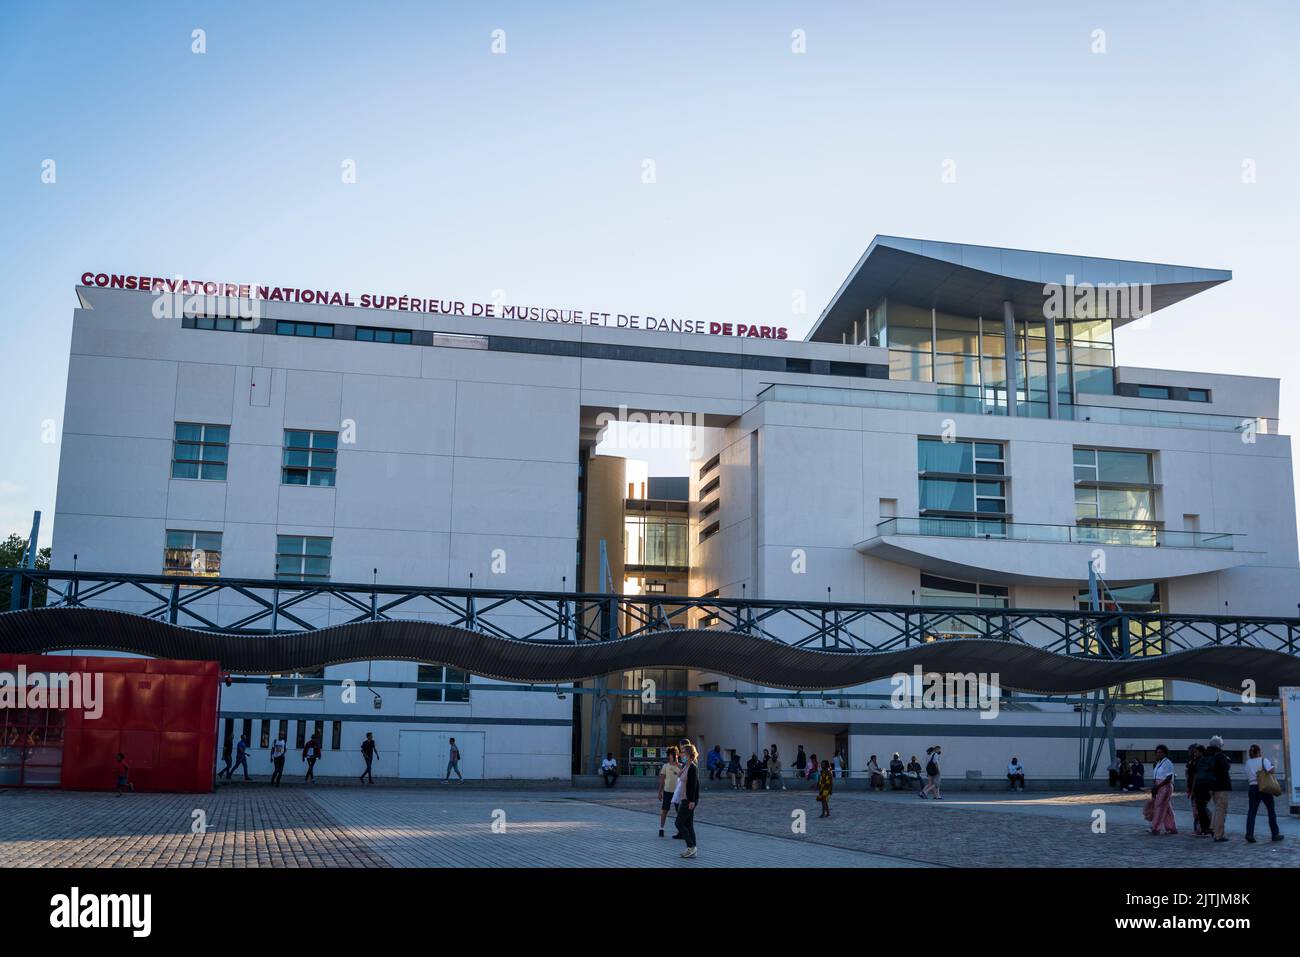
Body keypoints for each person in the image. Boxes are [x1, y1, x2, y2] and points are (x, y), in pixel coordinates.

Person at [1243, 744, 1283, 844]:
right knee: (1271, 810)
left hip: (1252, 787)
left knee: (1252, 812)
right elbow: (1271, 770)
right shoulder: (1263, 760)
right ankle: (1275, 834)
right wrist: (1273, 765)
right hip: (1264, 787)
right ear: (1259, 752)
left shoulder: (1247, 762)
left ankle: (1249, 834)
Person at [1201, 736, 1232, 842]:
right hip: (1221, 786)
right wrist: (1228, 761)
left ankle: (1212, 827)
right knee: (1221, 810)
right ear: (1219, 745)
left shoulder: (1206, 754)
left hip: (1209, 785)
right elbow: (1225, 769)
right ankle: (1218, 834)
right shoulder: (1220, 755)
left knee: (1217, 808)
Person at [676, 742, 700, 860]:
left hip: (688, 800)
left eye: (683, 752)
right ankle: (692, 849)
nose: (681, 754)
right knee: (689, 824)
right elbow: (680, 776)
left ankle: (691, 846)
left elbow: (694, 786)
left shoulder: (692, 767)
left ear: (689, 754)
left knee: (679, 823)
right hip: (684, 798)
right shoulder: (686, 766)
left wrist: (692, 800)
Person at [1148, 744, 1178, 835]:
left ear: (1165, 753)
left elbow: (1169, 777)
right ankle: (1172, 828)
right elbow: (1156, 776)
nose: (1158, 754)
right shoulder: (1158, 763)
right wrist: (1154, 787)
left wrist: (1158, 786)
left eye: (1160, 752)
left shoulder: (1167, 763)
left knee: (1159, 807)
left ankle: (1156, 828)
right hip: (1159, 786)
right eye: (1157, 752)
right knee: (1167, 808)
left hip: (1165, 787)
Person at [657, 746, 681, 837]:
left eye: (675, 754)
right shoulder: (665, 766)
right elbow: (662, 780)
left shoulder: (681, 766)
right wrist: (660, 792)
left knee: (679, 811)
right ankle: (661, 828)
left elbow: (685, 775)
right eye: (672, 754)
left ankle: (680, 830)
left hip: (678, 792)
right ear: (668, 756)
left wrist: (678, 764)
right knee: (665, 810)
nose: (674, 756)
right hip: (667, 791)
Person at [1185, 744, 1205, 835]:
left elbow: (1196, 777)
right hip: (1192, 788)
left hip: (1198, 788)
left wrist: (1192, 790)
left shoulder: (1200, 761)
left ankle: (1200, 828)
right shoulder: (1192, 761)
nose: (1193, 753)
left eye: (1195, 751)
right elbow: (1189, 776)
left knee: (1198, 809)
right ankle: (1198, 828)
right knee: (1196, 809)